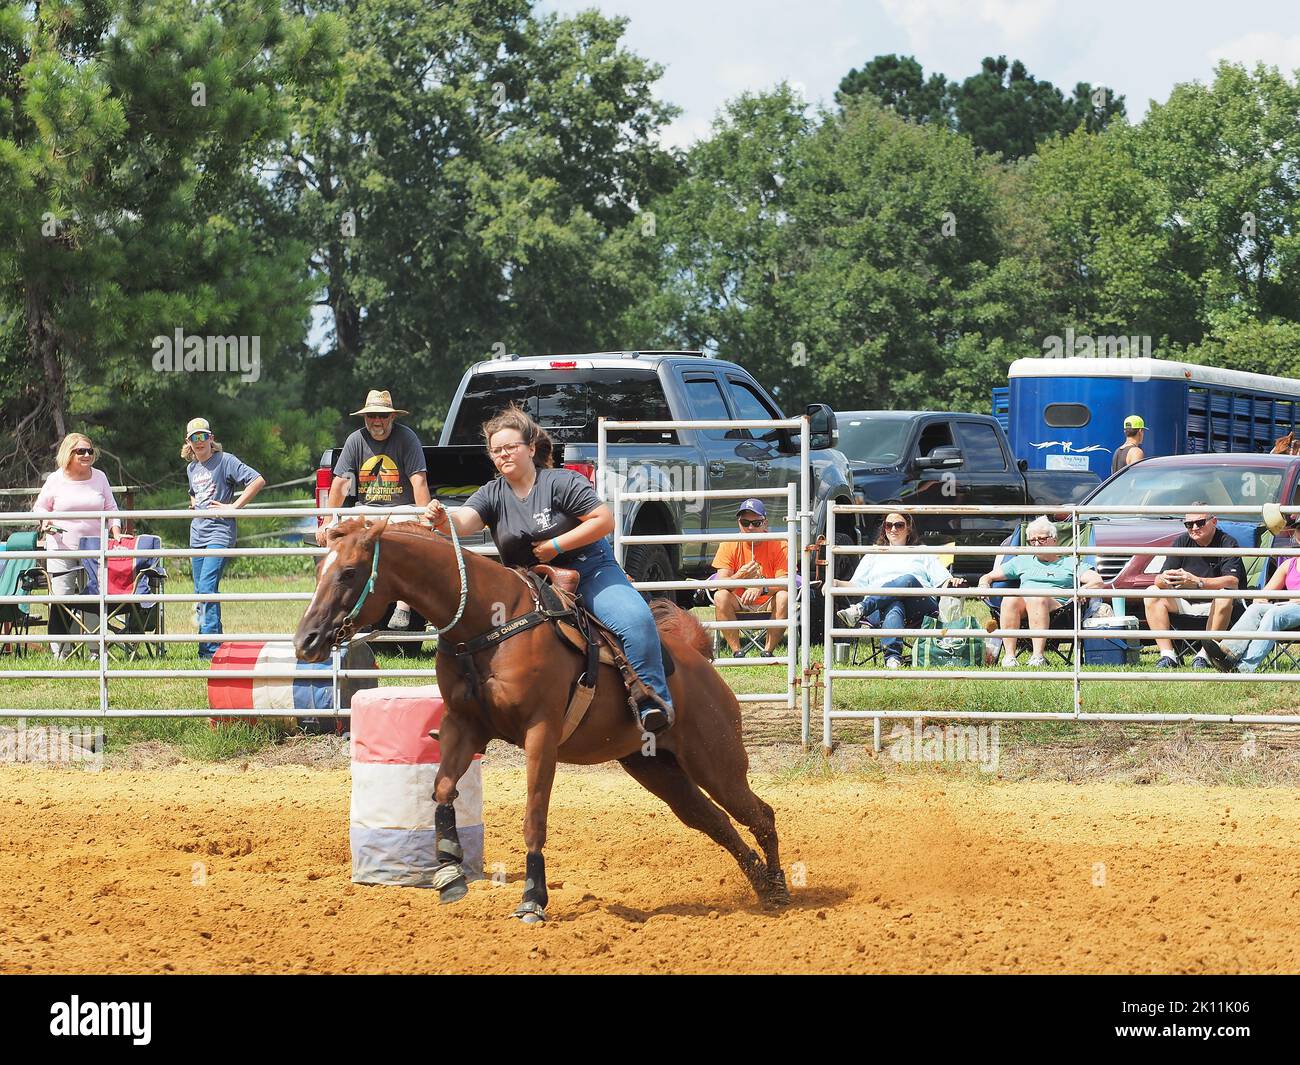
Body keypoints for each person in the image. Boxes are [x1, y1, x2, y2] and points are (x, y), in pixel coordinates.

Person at [423, 404, 674, 734]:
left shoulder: (561, 481)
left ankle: (652, 701)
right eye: (496, 451)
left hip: (590, 570)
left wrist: (556, 546)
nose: (503, 455)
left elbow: (604, 521)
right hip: (533, 584)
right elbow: (464, 522)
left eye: (510, 447)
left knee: (636, 621)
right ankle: (473, 712)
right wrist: (444, 520)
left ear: (530, 448)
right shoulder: (492, 493)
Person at [317, 389, 430, 630]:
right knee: (336, 538)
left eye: (382, 416)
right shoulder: (355, 440)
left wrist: (425, 520)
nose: (376, 421)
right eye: (371, 416)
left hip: (401, 509)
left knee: (409, 530)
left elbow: (418, 481)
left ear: (392, 417)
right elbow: (339, 483)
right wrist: (327, 521)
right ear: (365, 418)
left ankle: (403, 606)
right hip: (366, 509)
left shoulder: (407, 438)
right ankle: (330, 600)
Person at [834, 511, 962, 669]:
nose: (893, 529)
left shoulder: (921, 552)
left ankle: (860, 609)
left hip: (918, 607)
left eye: (899, 525)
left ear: (908, 528)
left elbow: (942, 580)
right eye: (888, 525)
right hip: (880, 611)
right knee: (894, 605)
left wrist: (951, 581)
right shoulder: (873, 554)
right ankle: (893, 659)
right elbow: (856, 585)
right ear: (884, 529)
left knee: (907, 579)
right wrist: (836, 582)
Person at [34, 433, 122, 658]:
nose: (86, 455)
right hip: (61, 547)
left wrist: (116, 532)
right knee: (61, 597)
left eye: (89, 451)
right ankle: (61, 651)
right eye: (80, 451)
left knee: (93, 597)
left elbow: (111, 508)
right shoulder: (55, 478)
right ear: (68, 453)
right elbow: (40, 507)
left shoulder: (100, 477)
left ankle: (95, 649)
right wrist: (46, 522)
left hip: (94, 547)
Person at [184, 418, 265, 659]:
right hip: (197, 533)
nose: (199, 442)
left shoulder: (225, 460)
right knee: (201, 591)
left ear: (211, 438)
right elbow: (194, 494)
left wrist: (235, 507)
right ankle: (214, 646)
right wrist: (194, 506)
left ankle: (208, 651)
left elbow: (257, 480)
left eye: (203, 437)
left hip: (220, 532)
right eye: (194, 438)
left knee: (207, 588)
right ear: (188, 442)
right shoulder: (191, 469)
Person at [978, 515, 1102, 668]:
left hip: (1059, 610)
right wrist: (983, 583)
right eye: (1032, 541)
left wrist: (1082, 591)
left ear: (1054, 540)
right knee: (1010, 599)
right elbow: (988, 576)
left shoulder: (1069, 562)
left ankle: (1038, 656)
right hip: (1024, 607)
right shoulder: (1022, 561)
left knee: (1037, 598)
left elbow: (1097, 581)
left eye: (1041, 539)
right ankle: (1009, 657)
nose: (1036, 544)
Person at [1143, 507, 1245, 670]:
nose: (1194, 528)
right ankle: (1168, 655)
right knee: (1151, 592)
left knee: (1225, 595)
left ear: (1214, 521)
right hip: (1185, 602)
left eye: (1200, 522)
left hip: (1217, 606)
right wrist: (1166, 579)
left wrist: (1198, 582)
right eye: (1189, 524)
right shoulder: (1182, 541)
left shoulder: (1227, 542)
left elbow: (1232, 581)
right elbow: (1158, 579)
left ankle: (1205, 655)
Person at [1202, 514, 1300, 673]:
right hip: (1289, 608)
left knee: (1274, 614)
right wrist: (1261, 599)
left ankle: (1245, 668)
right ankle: (1227, 653)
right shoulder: (1289, 564)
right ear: (1295, 535)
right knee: (1256, 609)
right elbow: (1264, 593)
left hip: (1291, 609)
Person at [710, 499, 789, 658]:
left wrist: (761, 587)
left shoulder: (780, 543)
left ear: (765, 524)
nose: (750, 527)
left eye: (756, 523)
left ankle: (768, 651)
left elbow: (786, 583)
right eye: (745, 522)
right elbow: (720, 584)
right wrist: (740, 576)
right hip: (738, 599)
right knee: (720, 596)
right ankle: (737, 652)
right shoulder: (728, 544)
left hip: (768, 600)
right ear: (739, 523)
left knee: (784, 596)